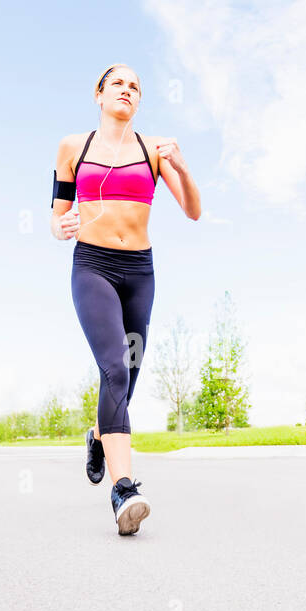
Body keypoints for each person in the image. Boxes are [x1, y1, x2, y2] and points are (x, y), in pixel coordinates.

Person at [50, 63, 201, 534]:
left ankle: (99, 435)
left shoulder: (153, 151)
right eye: (117, 83)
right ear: (99, 94)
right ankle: (124, 489)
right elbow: (57, 216)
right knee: (114, 367)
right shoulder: (74, 147)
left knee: (129, 376)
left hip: (139, 272)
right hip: (92, 266)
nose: (127, 90)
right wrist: (62, 227)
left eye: (135, 86)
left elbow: (194, 211)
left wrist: (180, 165)